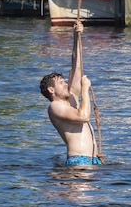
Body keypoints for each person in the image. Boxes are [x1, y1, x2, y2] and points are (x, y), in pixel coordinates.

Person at [40, 21, 101, 166]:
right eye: (61, 83)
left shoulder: (72, 100)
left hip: (93, 161)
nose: (65, 84)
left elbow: (77, 67)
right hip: (79, 161)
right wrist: (85, 89)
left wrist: (77, 37)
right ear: (51, 90)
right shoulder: (55, 107)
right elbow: (83, 116)